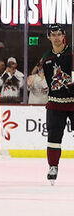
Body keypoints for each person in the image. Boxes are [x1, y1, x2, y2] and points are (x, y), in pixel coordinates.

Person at [40, 22, 74, 184]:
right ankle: (53, 166)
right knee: (53, 137)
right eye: (53, 35)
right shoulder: (46, 58)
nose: (56, 38)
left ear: (63, 36)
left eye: (59, 34)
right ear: (49, 37)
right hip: (55, 103)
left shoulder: (72, 53)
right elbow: (50, 81)